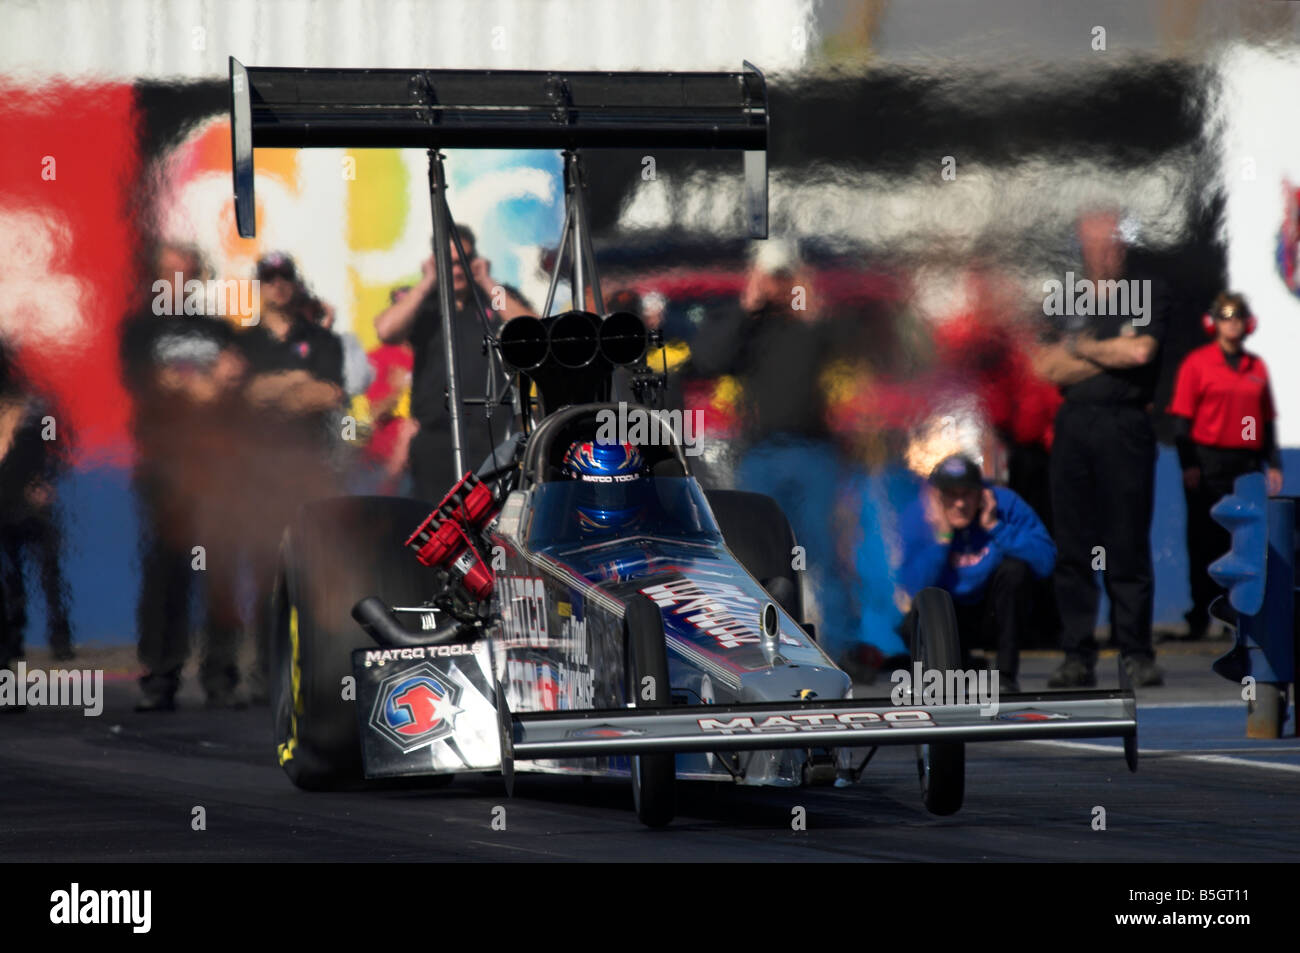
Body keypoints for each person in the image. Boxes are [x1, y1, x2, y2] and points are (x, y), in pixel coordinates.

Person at [1032, 209, 1169, 688]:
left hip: (1125, 426)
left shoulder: (1144, 290)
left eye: (1113, 240)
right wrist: (1106, 351)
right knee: (1074, 546)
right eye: (1096, 241)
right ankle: (1077, 654)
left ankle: (1135, 652)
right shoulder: (1064, 293)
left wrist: (1081, 348)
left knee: (1127, 543)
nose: (1106, 249)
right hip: (1074, 429)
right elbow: (1046, 367)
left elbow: (1141, 353)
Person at [122, 242, 250, 711]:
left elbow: (235, 381)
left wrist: (205, 384)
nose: (177, 283)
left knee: (220, 575)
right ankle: (160, 677)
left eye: (186, 274)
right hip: (166, 472)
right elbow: (159, 385)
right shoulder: (140, 330)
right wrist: (206, 383)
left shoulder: (218, 329)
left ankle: (221, 678)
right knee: (166, 576)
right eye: (168, 275)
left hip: (219, 471)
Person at [372, 227, 533, 500]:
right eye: (450, 262)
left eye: (465, 261)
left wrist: (487, 281)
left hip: (491, 436)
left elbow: (532, 331)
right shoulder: (425, 303)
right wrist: (427, 283)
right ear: (435, 262)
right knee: (438, 529)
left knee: (491, 523)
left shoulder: (493, 297)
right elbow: (386, 331)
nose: (458, 270)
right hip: (436, 438)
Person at [1168, 292, 1282, 639]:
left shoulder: (1256, 367)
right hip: (1207, 462)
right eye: (1225, 317)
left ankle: (1239, 612)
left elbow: (1265, 420)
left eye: (1237, 317)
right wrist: (1189, 464)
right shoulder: (1197, 364)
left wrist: (1272, 463)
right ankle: (1202, 613)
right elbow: (1181, 422)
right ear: (1213, 323)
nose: (1231, 323)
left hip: (1245, 464)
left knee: (1244, 540)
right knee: (1204, 539)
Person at [895, 454, 1055, 693]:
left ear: (981, 493)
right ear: (937, 497)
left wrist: (995, 527)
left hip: (994, 614)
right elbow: (912, 587)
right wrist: (942, 538)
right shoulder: (920, 515)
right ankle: (959, 669)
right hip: (949, 619)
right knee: (917, 616)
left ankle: (1005, 676)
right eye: (951, 495)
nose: (960, 504)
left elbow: (1046, 561)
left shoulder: (1004, 504)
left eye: (967, 494)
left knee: (1015, 572)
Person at [0, 339, 74, 676]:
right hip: (6, 500)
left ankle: (59, 638)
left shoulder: (37, 404)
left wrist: (46, 480)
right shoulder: (29, 406)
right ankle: (13, 643)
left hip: (30, 500)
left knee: (48, 574)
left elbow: (59, 442)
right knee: (10, 577)